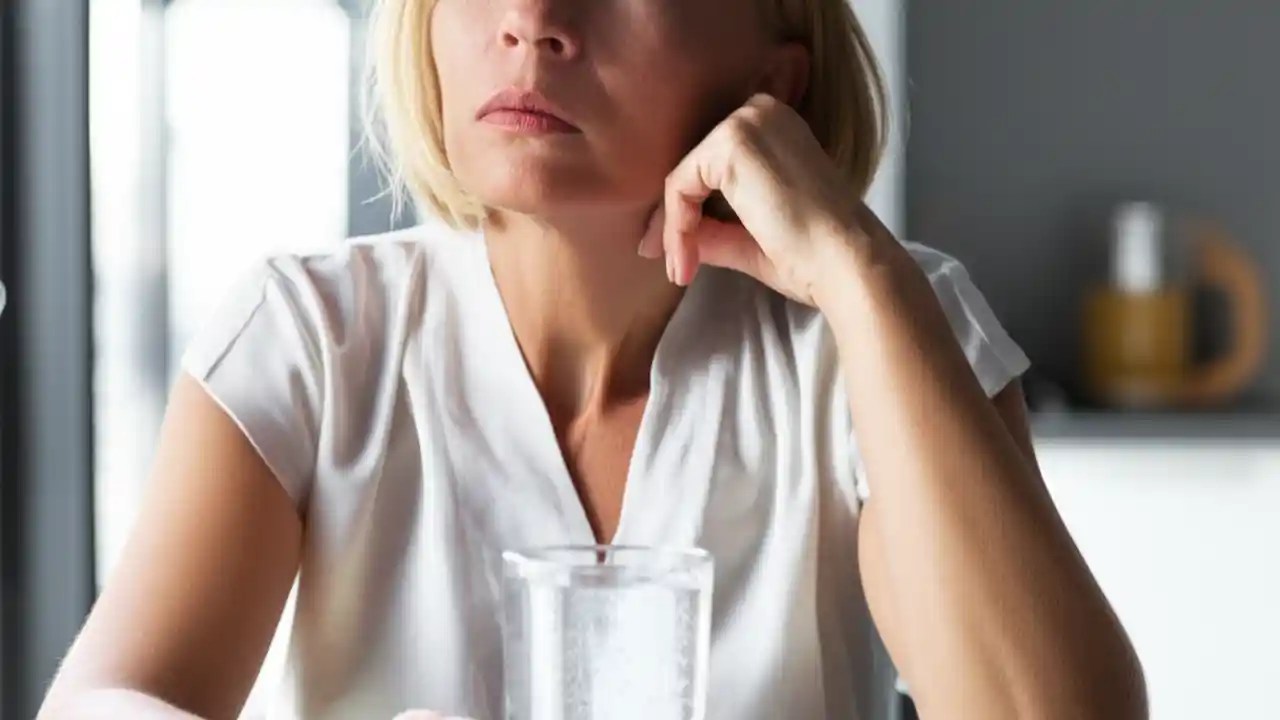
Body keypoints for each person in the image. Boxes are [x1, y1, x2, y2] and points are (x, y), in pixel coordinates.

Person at [40, 0, 1146, 718]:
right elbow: (108, 703)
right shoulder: (310, 339)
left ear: (780, 75)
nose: (531, 20)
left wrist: (858, 272)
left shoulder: (882, 327)